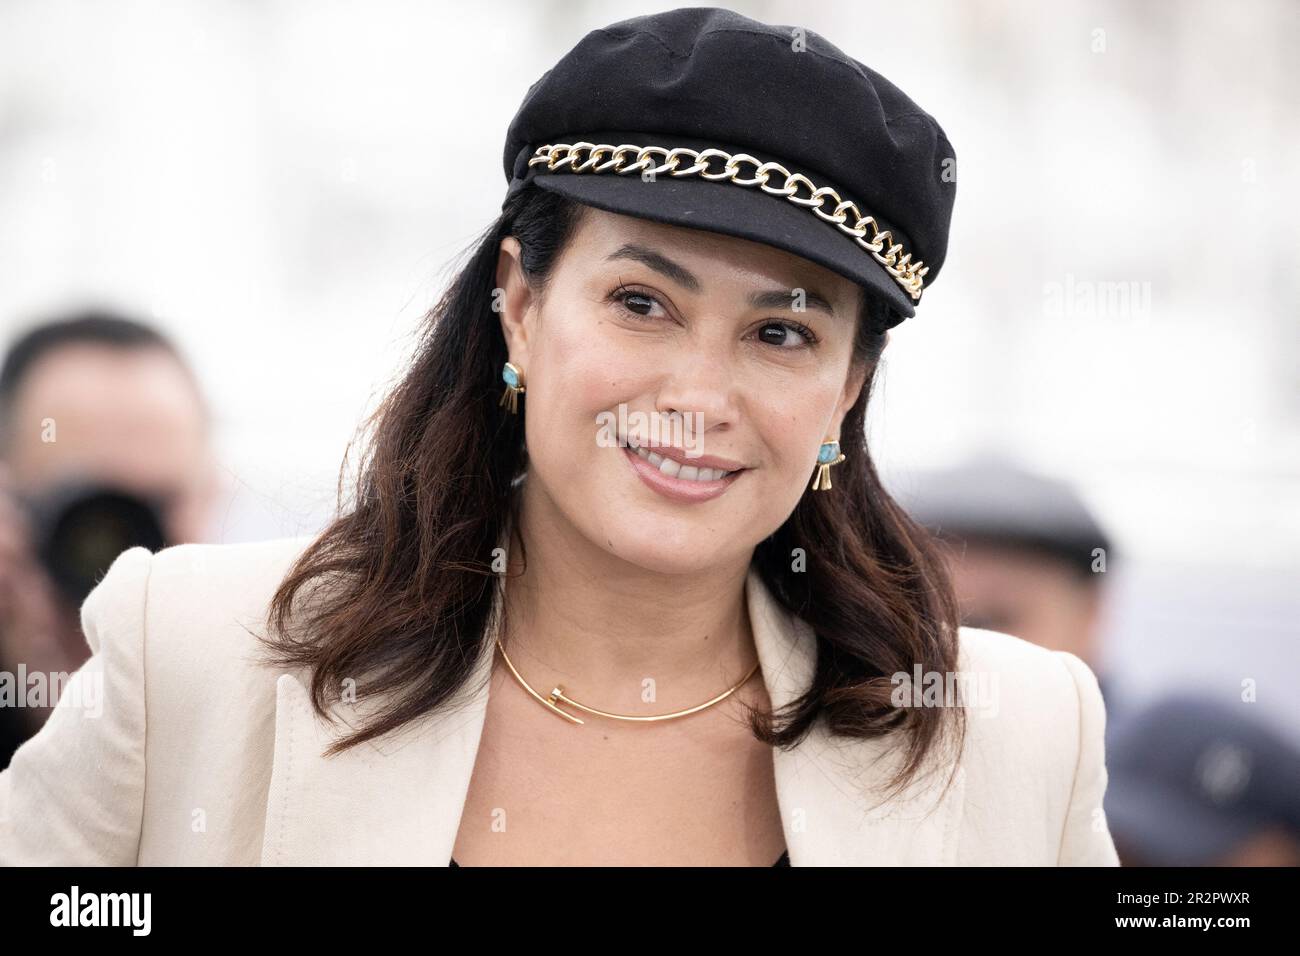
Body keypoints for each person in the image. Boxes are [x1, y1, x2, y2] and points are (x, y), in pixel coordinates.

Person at [0, 7, 1119, 866]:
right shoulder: (194, 654)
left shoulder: (1017, 734)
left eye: (780, 331)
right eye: (642, 302)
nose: (699, 390)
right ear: (520, 303)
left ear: (847, 387)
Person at [0, 309, 220, 769]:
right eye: (86, 512)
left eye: (159, 504)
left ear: (212, 495)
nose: (124, 558)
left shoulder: (271, 697)